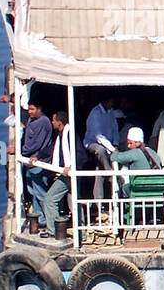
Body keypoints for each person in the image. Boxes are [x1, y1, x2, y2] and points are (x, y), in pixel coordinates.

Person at [41, 110, 75, 239]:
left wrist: (71, 167)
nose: (52, 122)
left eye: (53, 120)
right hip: (65, 173)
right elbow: (51, 149)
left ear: (59, 122)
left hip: (69, 174)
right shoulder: (61, 135)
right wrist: (37, 156)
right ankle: (81, 231)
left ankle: (53, 231)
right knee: (73, 200)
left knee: (50, 199)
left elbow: (79, 152)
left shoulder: (69, 134)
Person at [20, 98, 54, 222]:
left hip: (39, 161)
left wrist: (20, 151)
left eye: (32, 109)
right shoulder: (31, 120)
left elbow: (36, 144)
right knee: (32, 190)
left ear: (39, 109)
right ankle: (40, 218)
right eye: (29, 109)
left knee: (40, 191)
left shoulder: (43, 122)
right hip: (29, 162)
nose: (29, 111)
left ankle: (49, 220)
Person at [82, 94, 118, 202]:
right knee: (100, 151)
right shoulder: (95, 113)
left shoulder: (111, 112)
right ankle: (110, 173)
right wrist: (112, 149)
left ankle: (99, 203)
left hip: (109, 145)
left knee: (99, 172)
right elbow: (98, 136)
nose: (112, 104)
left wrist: (115, 145)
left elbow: (115, 129)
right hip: (93, 143)